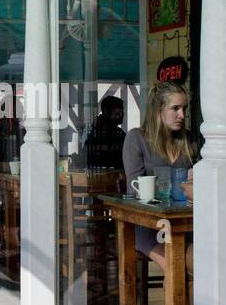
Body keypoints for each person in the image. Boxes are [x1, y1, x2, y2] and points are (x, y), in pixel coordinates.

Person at [123, 82, 198, 273]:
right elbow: (135, 190)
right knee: (177, 269)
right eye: (175, 108)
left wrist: (199, 178)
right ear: (158, 109)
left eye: (184, 109)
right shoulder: (136, 139)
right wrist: (182, 186)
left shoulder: (189, 141)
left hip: (185, 224)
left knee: (200, 266)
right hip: (149, 225)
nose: (182, 115)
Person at [82, 95, 126, 170]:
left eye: (121, 110)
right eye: (117, 110)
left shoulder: (119, 134)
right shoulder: (95, 134)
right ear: (106, 111)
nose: (120, 114)